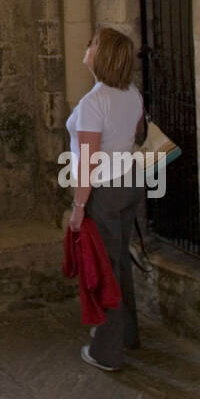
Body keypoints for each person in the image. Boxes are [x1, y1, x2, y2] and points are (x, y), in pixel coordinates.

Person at [66, 26, 147, 371]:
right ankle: (128, 333)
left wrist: (79, 207)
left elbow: (89, 161)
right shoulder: (132, 93)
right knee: (119, 260)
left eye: (95, 43)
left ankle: (106, 351)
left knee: (105, 267)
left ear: (104, 55)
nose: (88, 46)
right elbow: (138, 135)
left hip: (105, 191)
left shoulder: (92, 103)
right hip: (130, 183)